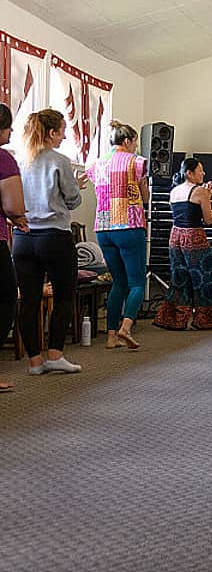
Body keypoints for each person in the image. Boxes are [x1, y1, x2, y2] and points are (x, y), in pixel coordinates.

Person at [15, 109, 86, 375]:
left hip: (22, 238)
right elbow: (72, 200)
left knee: (29, 301)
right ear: (52, 132)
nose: (65, 135)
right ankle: (55, 354)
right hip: (54, 237)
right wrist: (78, 187)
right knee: (65, 296)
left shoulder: (19, 161)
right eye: (62, 130)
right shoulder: (59, 160)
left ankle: (34, 362)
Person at [86, 120, 148, 350]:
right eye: (135, 143)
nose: (135, 147)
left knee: (118, 283)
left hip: (103, 228)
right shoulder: (137, 162)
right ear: (128, 141)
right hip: (129, 225)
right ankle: (125, 327)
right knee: (137, 282)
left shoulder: (96, 164)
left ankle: (111, 337)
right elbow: (145, 196)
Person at [153, 158, 212, 331]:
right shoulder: (199, 192)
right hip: (194, 236)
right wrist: (208, 197)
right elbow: (208, 220)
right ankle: (206, 319)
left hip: (175, 236)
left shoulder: (174, 191)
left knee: (179, 278)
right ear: (189, 173)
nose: (204, 173)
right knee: (204, 278)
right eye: (200, 170)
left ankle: (173, 319)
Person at [0, 103, 27, 390]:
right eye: (8, 126)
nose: (11, 131)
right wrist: (19, 218)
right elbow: (13, 204)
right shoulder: (4, 159)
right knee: (6, 300)